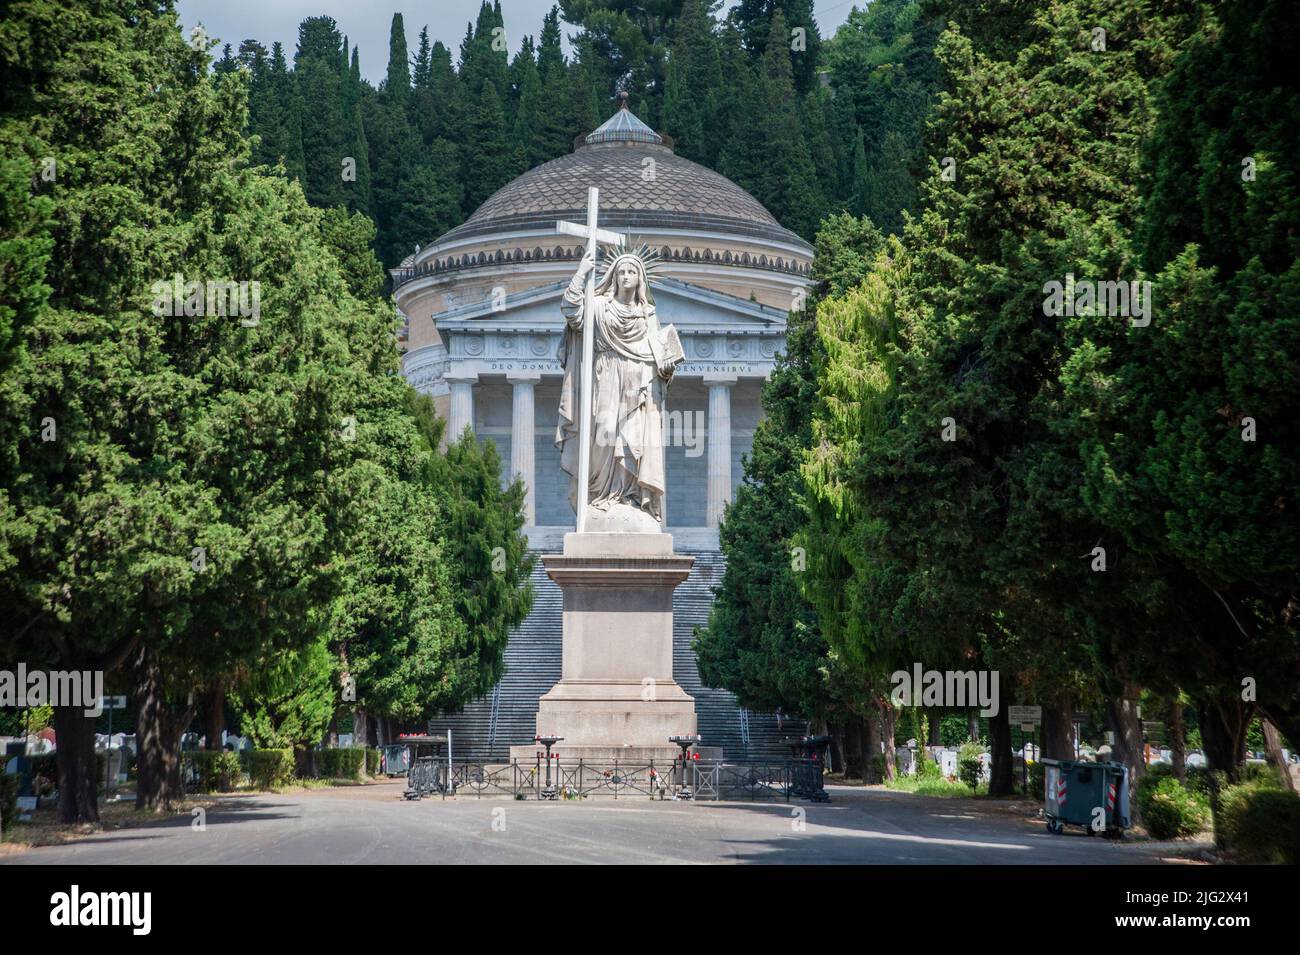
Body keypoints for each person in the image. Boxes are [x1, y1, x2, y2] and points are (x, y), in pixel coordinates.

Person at [556, 248, 680, 522]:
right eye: (621, 271)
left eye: (632, 272)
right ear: (613, 276)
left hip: (638, 385)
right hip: (606, 380)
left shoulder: (648, 315)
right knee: (604, 434)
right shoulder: (600, 307)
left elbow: (658, 358)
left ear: (640, 279)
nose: (626, 276)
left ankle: (631, 497)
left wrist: (667, 370)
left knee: (635, 441)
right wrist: (581, 273)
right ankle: (600, 495)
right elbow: (571, 311)